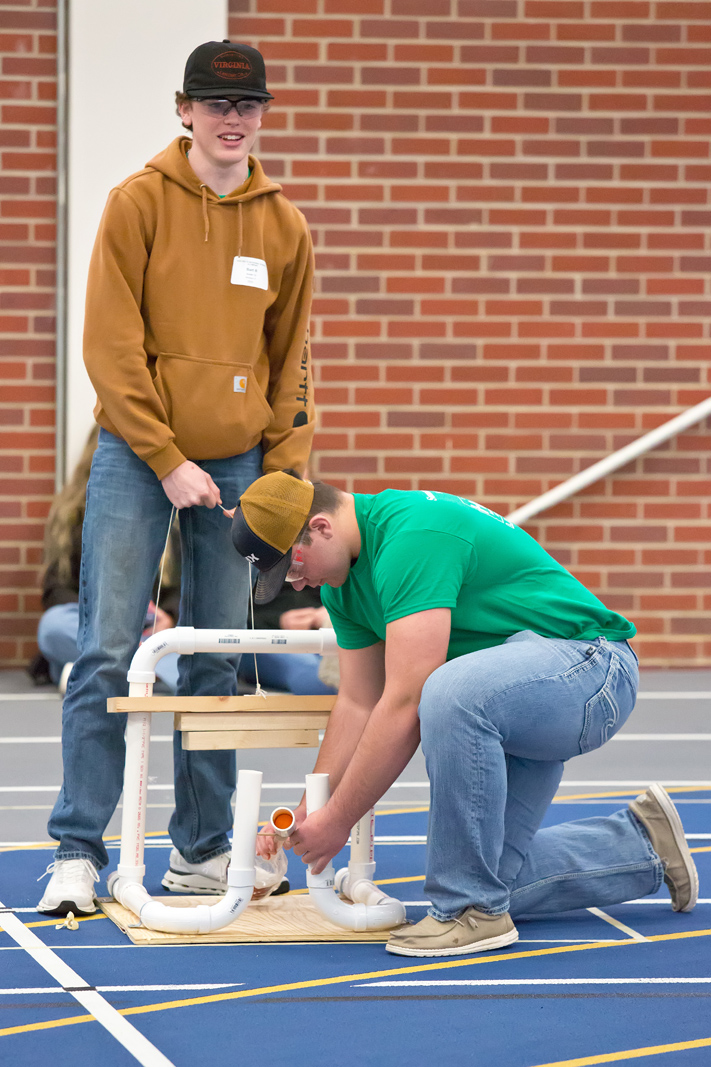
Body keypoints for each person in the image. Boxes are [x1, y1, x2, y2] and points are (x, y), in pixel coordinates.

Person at [37, 41, 315, 915]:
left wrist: (281, 478)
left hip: (235, 463)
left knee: (217, 661)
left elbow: (291, 366)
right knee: (108, 652)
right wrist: (165, 458)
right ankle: (78, 852)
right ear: (184, 110)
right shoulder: (136, 203)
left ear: (262, 115)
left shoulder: (284, 225)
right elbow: (110, 351)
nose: (233, 120)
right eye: (215, 104)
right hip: (134, 455)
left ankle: (200, 852)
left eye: (248, 106)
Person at [231, 471, 698, 957]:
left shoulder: (413, 536)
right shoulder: (343, 586)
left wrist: (339, 820)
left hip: (590, 670)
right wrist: (311, 811)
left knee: (446, 694)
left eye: (291, 566)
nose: (296, 583)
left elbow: (407, 701)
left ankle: (469, 912)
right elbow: (358, 703)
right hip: (511, 700)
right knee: (495, 877)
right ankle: (642, 844)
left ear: (322, 527)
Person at [35, 427, 181, 694]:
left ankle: (103, 668)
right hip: (91, 622)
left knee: (189, 643)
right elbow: (54, 590)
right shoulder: (70, 514)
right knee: (52, 626)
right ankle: (136, 665)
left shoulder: (167, 512)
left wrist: (167, 616)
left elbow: (178, 588)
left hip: (147, 628)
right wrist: (98, 614)